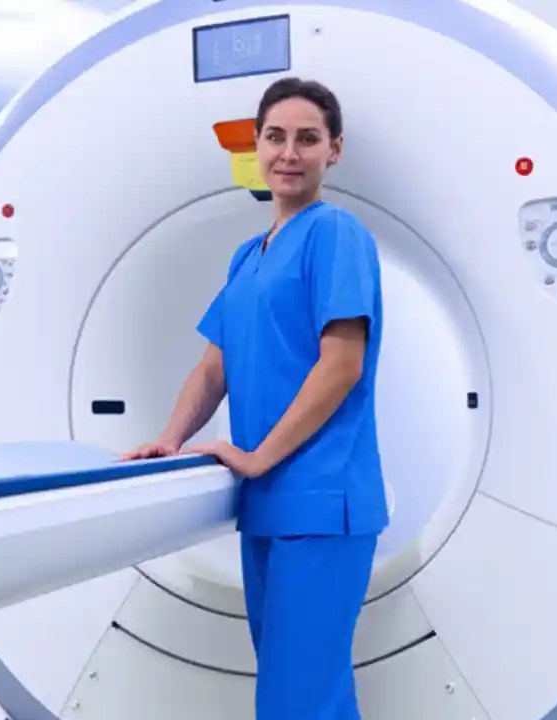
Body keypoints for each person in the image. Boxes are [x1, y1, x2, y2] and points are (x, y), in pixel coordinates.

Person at [122, 77, 387, 719]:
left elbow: (342, 365)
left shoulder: (336, 234)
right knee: (299, 692)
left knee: (298, 701)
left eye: (307, 138)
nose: (288, 153)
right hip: (268, 505)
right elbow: (214, 367)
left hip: (323, 500)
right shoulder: (247, 257)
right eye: (275, 137)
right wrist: (172, 437)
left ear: (335, 150)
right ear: (257, 147)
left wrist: (260, 455)